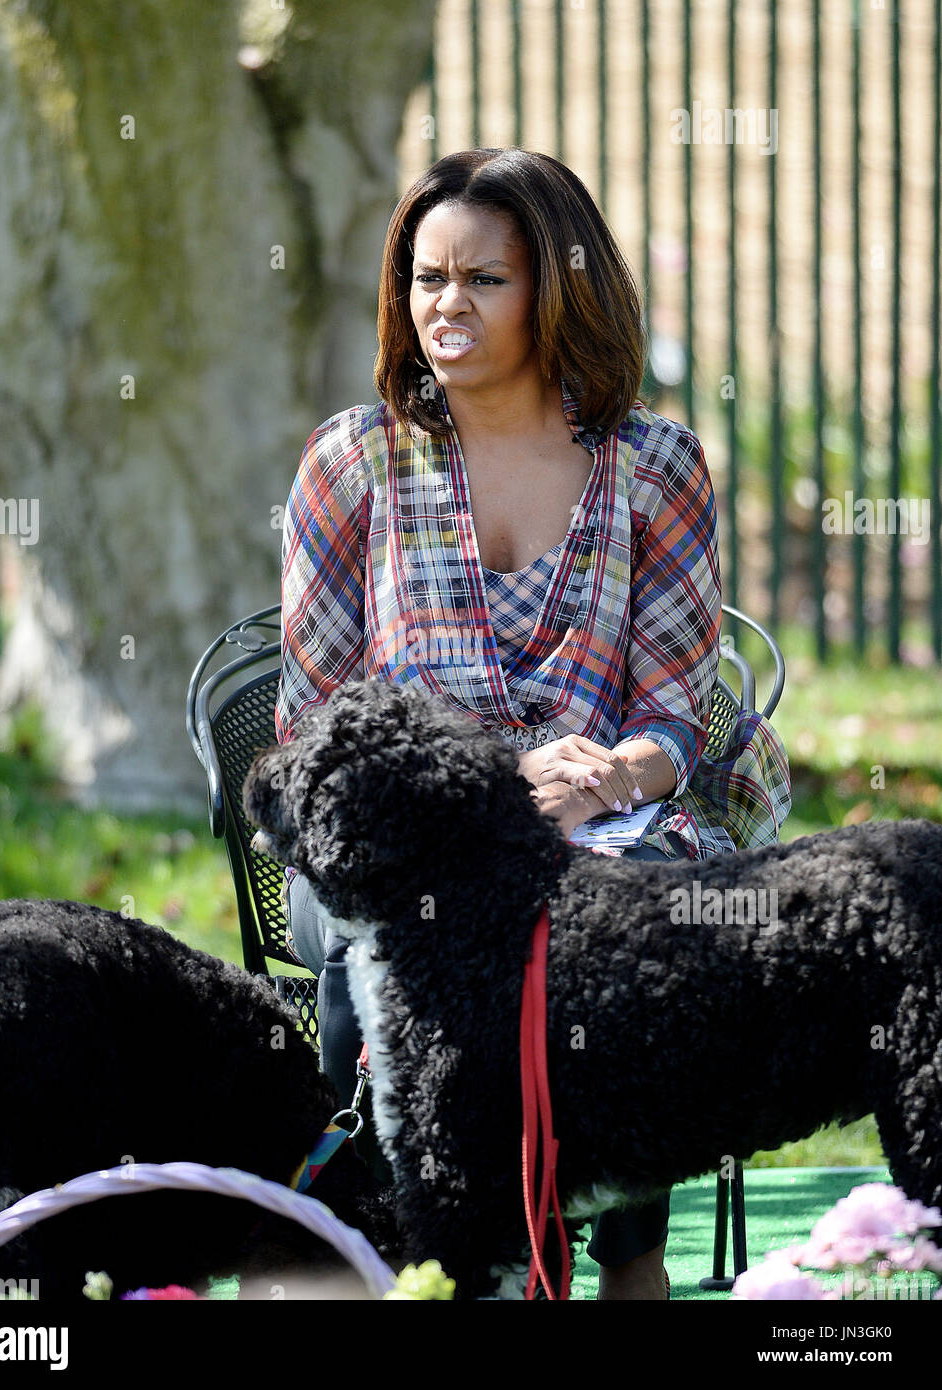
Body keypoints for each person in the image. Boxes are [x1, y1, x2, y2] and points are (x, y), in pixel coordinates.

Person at [272, 148, 791, 1300]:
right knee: (412, 925)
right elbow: (311, 729)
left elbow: (675, 714)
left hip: (597, 827)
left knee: (640, 910)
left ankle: (625, 1259)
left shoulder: (652, 466)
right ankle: (398, 1247)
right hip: (388, 838)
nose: (444, 306)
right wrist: (501, 783)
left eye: (483, 280)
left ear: (555, 289)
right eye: (426, 278)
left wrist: (607, 781)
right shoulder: (350, 463)